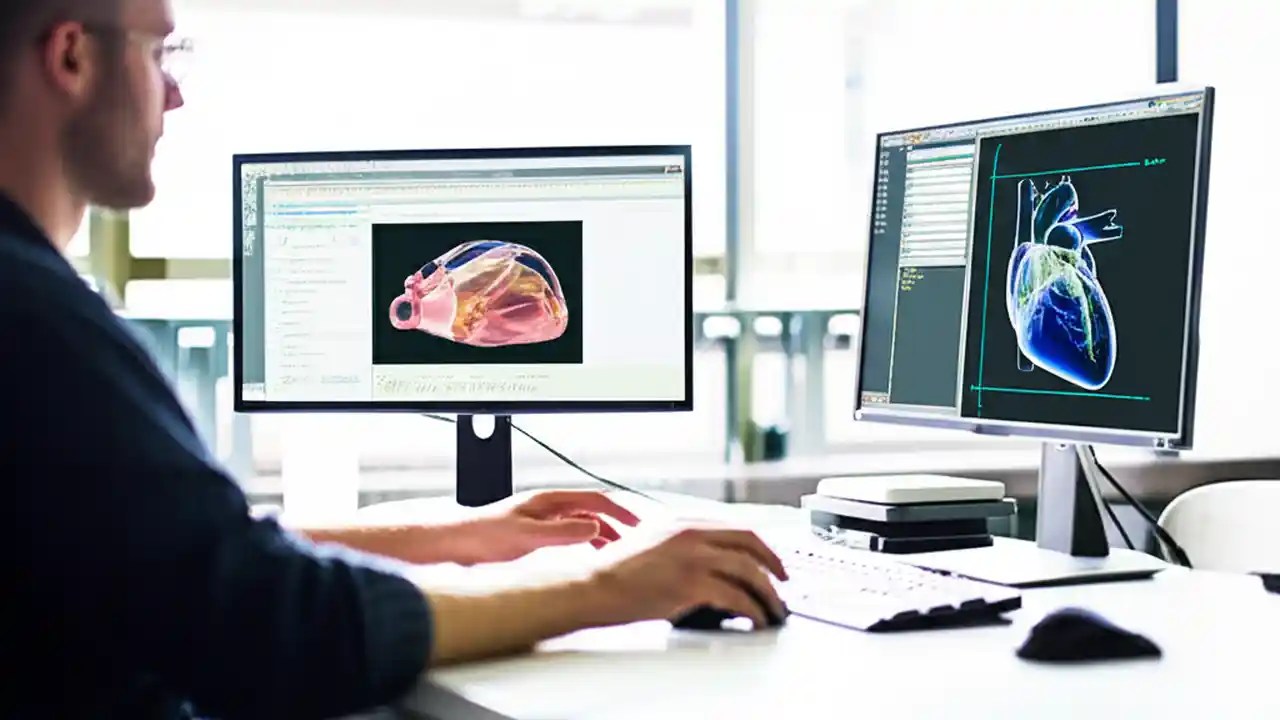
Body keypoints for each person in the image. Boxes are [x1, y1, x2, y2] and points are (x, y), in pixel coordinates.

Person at [0, 0, 789, 718]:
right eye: (158, 53)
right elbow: (266, 621)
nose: (175, 95)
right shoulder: (36, 319)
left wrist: (451, 533)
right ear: (72, 56)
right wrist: (609, 590)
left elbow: (169, 557)